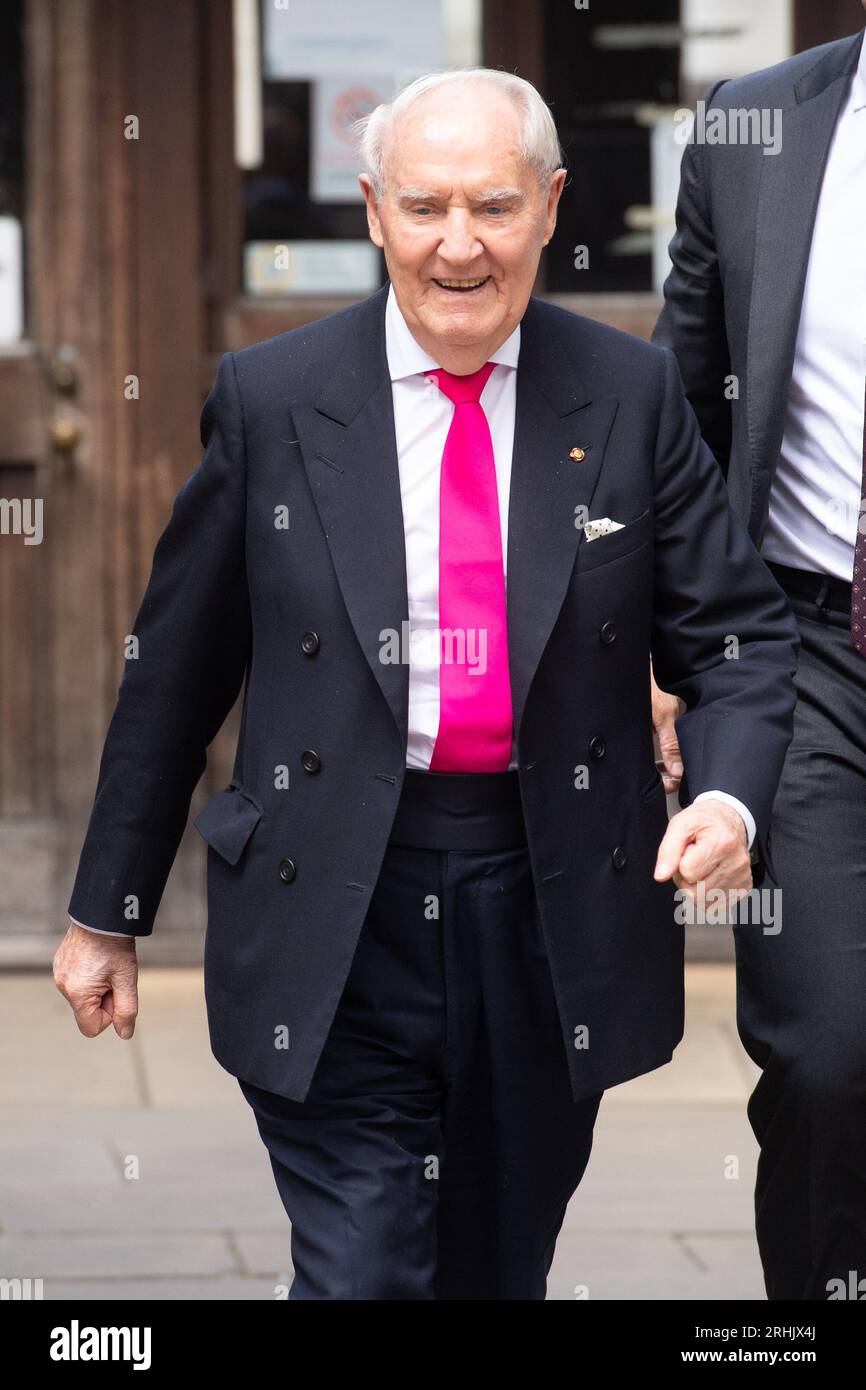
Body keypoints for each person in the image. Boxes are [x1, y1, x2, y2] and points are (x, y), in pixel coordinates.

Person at [55, 68, 798, 1300]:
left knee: (492, 1274)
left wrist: (724, 803)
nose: (459, 245)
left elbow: (735, 638)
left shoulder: (627, 395)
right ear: (371, 212)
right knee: (361, 1273)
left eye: (494, 207)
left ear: (552, 207)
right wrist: (105, 910)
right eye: (425, 206)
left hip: (544, 904)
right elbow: (173, 673)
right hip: (331, 904)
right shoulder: (273, 401)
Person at [653, 19, 866, 1300]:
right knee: (829, 1053)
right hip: (806, 644)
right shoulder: (751, 121)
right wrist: (658, 658)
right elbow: (681, 411)